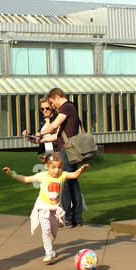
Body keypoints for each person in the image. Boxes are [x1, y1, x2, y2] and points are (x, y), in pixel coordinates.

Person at [2, 153, 89, 263]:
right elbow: (26, 179)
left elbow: (75, 175)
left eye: (59, 167)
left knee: (53, 232)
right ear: (47, 167)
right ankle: (48, 252)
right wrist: (12, 175)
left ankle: (50, 248)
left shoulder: (63, 175)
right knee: (46, 230)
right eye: (53, 167)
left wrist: (81, 169)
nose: (56, 170)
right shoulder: (42, 176)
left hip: (55, 210)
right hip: (43, 208)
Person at [40, 88, 86, 226]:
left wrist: (39, 133)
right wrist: (40, 140)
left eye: (52, 102)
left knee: (64, 183)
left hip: (67, 151)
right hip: (66, 150)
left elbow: (53, 126)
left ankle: (67, 217)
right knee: (72, 183)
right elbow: (58, 135)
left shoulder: (67, 107)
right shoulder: (69, 108)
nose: (52, 106)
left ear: (56, 97)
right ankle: (76, 218)